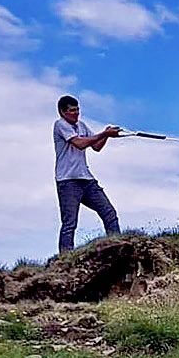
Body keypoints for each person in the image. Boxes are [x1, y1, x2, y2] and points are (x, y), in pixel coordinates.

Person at [52, 95, 122, 253]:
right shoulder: (60, 125)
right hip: (68, 181)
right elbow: (80, 144)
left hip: (86, 179)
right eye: (72, 111)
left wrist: (106, 135)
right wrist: (104, 134)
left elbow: (96, 146)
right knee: (70, 222)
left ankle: (118, 247)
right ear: (63, 112)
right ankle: (65, 256)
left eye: (77, 110)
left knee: (109, 212)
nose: (76, 113)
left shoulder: (81, 125)